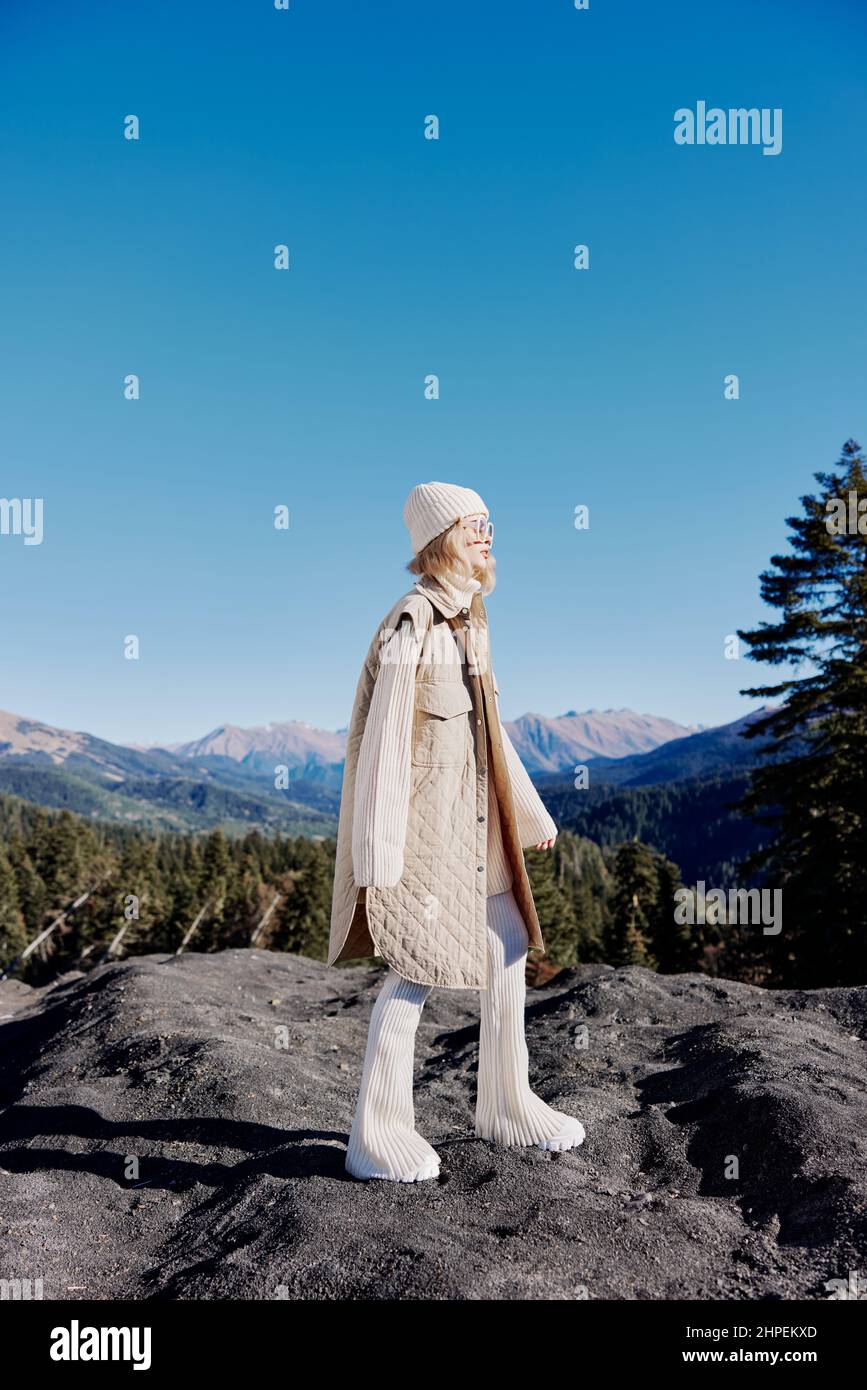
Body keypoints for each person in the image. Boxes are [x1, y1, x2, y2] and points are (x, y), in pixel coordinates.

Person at [328, 481, 585, 1182]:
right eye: (475, 525)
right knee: (414, 971)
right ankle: (375, 1136)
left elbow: (489, 736)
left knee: (504, 948)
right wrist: (376, 854)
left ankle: (508, 1105)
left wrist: (528, 816)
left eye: (490, 523)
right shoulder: (413, 622)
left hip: (479, 830)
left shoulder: (468, 622)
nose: (488, 535)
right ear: (439, 540)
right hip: (424, 840)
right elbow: (378, 746)